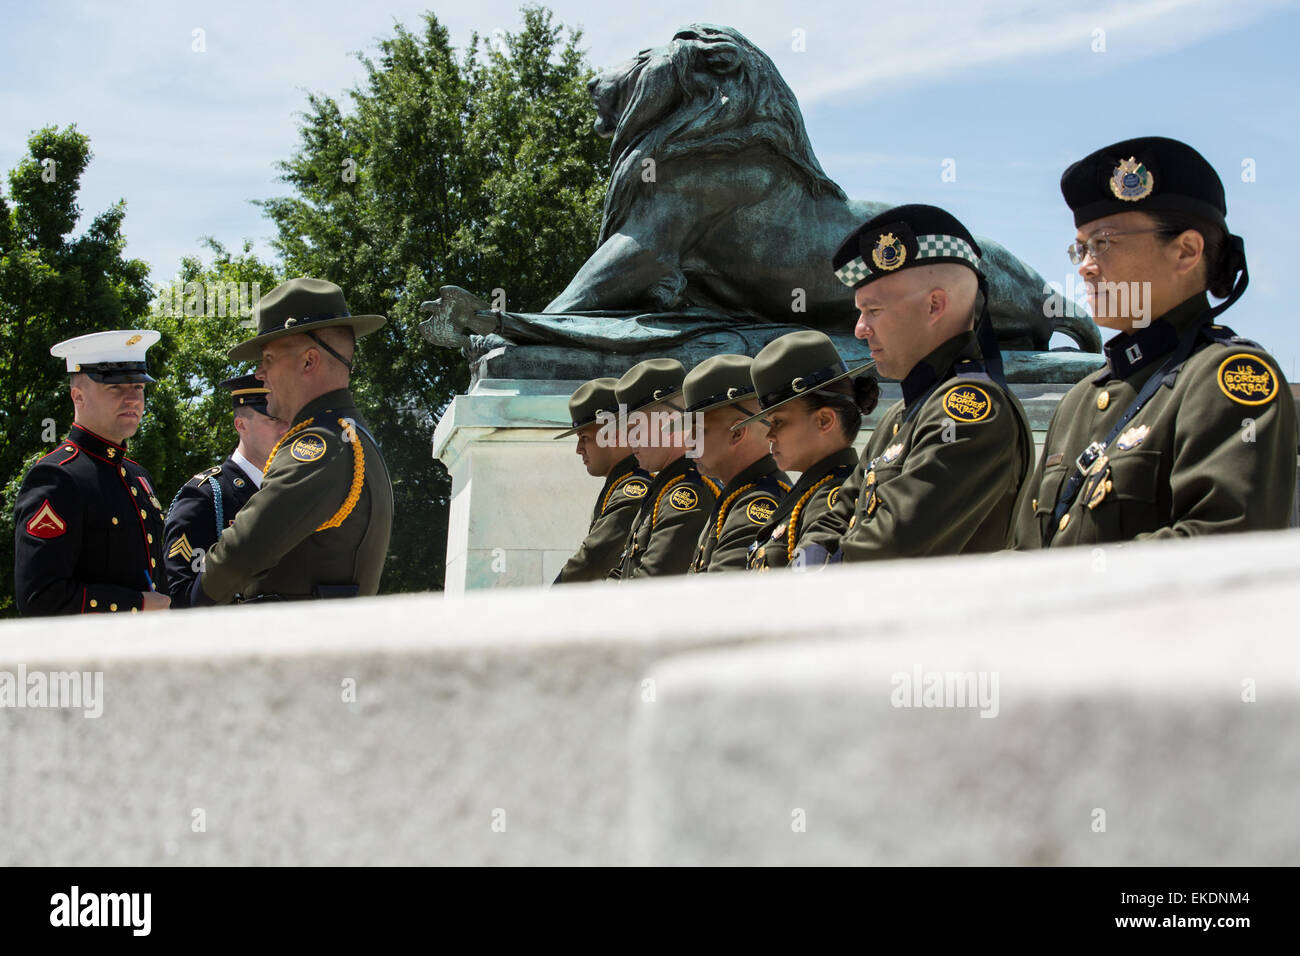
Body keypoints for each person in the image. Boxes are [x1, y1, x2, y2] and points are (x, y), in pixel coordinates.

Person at [1015, 137, 1297, 547]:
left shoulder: (1229, 378)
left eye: (1103, 243)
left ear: (1185, 251)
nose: (1087, 268)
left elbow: (1221, 547)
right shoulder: (1079, 401)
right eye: (1080, 249)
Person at [800, 204, 1034, 563]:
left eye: (873, 311)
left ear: (934, 305)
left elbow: (894, 547)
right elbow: (836, 512)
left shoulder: (970, 411)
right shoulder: (903, 414)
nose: (860, 329)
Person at [189, 277, 394, 604]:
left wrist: (193, 606)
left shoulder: (320, 444)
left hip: (293, 648)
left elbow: (240, 553)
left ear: (309, 361)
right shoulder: (346, 432)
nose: (259, 372)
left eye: (268, 358)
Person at [13, 330, 170, 614]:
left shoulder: (137, 476)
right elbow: (40, 597)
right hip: (88, 655)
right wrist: (136, 605)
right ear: (78, 396)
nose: (133, 398)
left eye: (138, 387)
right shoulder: (57, 477)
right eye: (116, 388)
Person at [733, 331, 879, 569]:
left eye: (778, 421)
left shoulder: (832, 498)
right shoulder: (811, 492)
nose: (770, 435)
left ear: (824, 421)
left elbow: (805, 598)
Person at [163, 374, 289, 607]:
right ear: (241, 425)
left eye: (290, 419)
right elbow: (182, 596)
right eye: (274, 419)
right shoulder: (206, 496)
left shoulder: (292, 490)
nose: (286, 428)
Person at [680, 354, 791, 572]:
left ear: (737, 433)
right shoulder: (737, 494)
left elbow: (719, 600)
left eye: (698, 431)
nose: (688, 442)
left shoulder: (758, 503)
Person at [610, 358, 717, 579]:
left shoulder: (689, 492)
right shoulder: (663, 486)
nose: (630, 441)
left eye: (636, 428)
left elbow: (653, 582)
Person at [552, 377, 652, 584]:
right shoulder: (620, 484)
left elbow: (593, 560)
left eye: (584, 438)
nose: (578, 449)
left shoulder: (634, 490)